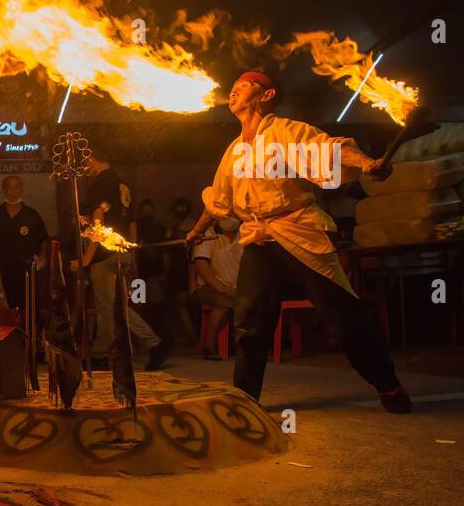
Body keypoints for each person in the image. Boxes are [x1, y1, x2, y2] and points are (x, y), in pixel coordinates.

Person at [185, 69, 409, 411]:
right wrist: (198, 229)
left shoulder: (288, 132)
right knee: (249, 323)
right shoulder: (233, 151)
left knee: (342, 317)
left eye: (242, 86)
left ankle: (387, 384)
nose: (232, 93)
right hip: (258, 239)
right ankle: (246, 400)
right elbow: (219, 198)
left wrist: (365, 163)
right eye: (231, 88)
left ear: (266, 95)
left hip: (299, 232)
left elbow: (330, 150)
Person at [79, 156, 169, 370]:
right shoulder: (122, 183)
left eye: (85, 162)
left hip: (104, 253)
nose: (85, 168)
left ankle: (101, 354)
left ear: (92, 159)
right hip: (123, 251)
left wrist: (87, 258)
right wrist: (131, 254)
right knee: (117, 306)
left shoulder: (99, 184)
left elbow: (98, 224)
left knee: (105, 308)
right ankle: (154, 343)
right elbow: (132, 223)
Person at [0, 174, 48, 319]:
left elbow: (44, 240)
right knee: (6, 311)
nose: (13, 191)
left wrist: (42, 257)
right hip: (2, 272)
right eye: (9, 187)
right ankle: (8, 339)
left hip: (26, 270)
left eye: (17, 187)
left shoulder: (31, 214)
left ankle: (29, 338)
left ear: (21, 189)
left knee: (28, 310)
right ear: (4, 190)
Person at [190, 216, 243, 360]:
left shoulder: (246, 234)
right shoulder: (208, 235)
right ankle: (209, 346)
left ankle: (246, 346)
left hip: (239, 288)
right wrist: (223, 288)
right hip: (209, 287)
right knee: (224, 301)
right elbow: (201, 265)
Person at [165, 196, 198, 343]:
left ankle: (196, 339)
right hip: (179, 271)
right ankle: (195, 338)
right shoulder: (172, 231)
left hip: (197, 269)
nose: (180, 211)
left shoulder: (197, 228)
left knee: (191, 306)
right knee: (182, 306)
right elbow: (166, 254)